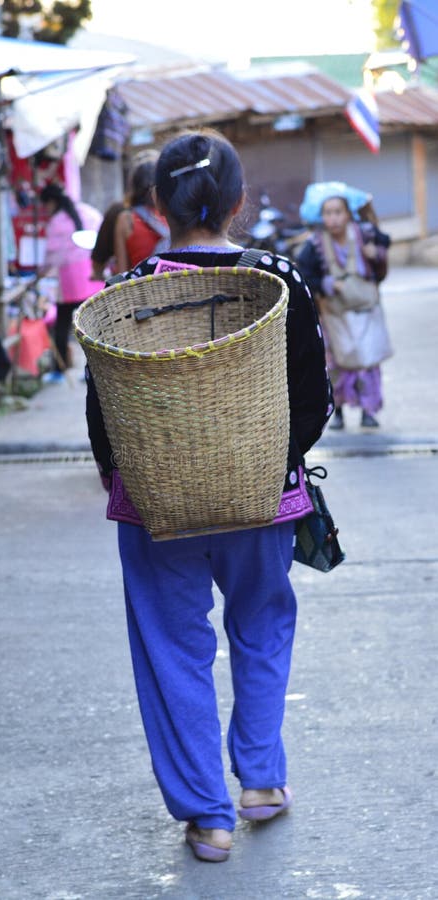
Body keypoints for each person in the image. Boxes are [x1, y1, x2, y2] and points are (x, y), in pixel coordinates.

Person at [85, 129, 333, 862]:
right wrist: (272, 458)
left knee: (171, 647)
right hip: (259, 493)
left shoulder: (127, 292)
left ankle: (207, 816)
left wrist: (118, 474)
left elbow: (103, 405)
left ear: (157, 203)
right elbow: (313, 395)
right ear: (237, 202)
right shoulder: (278, 278)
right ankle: (258, 781)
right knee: (260, 626)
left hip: (156, 503)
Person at [297, 187, 391, 429]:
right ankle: (337, 411)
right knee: (335, 365)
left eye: (338, 212)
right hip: (334, 316)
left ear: (349, 214)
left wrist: (375, 254)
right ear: (321, 217)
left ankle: (368, 411)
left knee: (367, 363)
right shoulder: (315, 244)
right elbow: (306, 275)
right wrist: (326, 283)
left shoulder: (365, 234)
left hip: (365, 311)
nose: (334, 218)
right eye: (328, 213)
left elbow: (385, 245)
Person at [39, 183, 104, 382]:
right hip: (92, 275)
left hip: (70, 280)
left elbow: (51, 257)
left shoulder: (57, 222)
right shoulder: (88, 211)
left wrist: (39, 273)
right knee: (95, 326)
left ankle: (59, 371)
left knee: (62, 324)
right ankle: (96, 370)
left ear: (51, 202)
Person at [90, 151, 169, 280]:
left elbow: (123, 274)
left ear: (133, 185)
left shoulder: (126, 219)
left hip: (142, 293)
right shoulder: (173, 213)